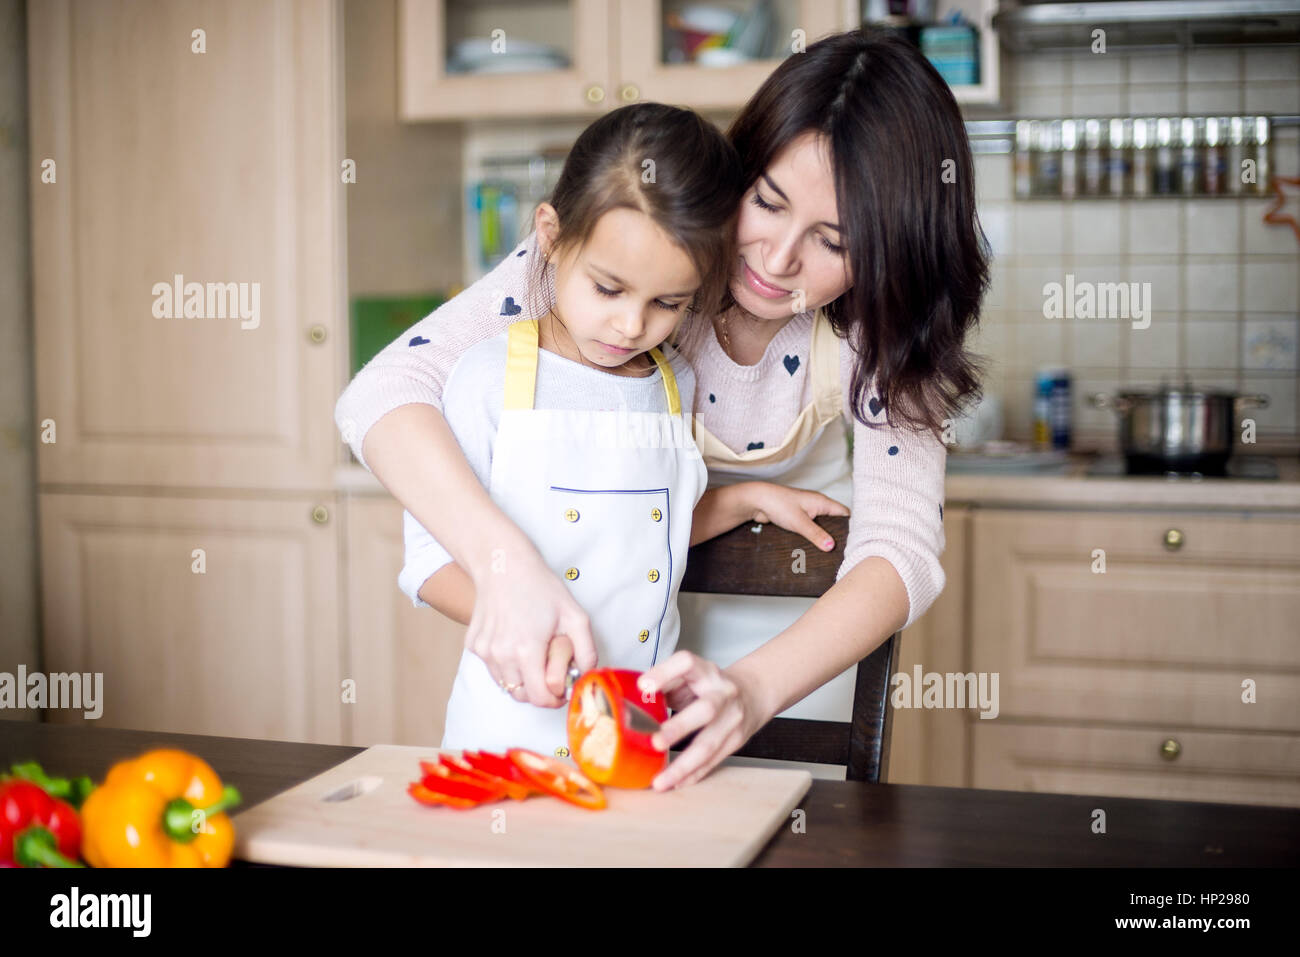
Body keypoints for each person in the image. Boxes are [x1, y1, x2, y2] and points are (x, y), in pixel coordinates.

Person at [335, 27, 989, 789]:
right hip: (602, 625)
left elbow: (900, 549)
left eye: (831, 242)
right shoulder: (625, 253)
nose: (777, 261)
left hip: (789, 643)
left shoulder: (885, 322)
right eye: (767, 203)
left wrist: (752, 687)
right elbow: (384, 392)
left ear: (887, 250)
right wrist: (505, 566)